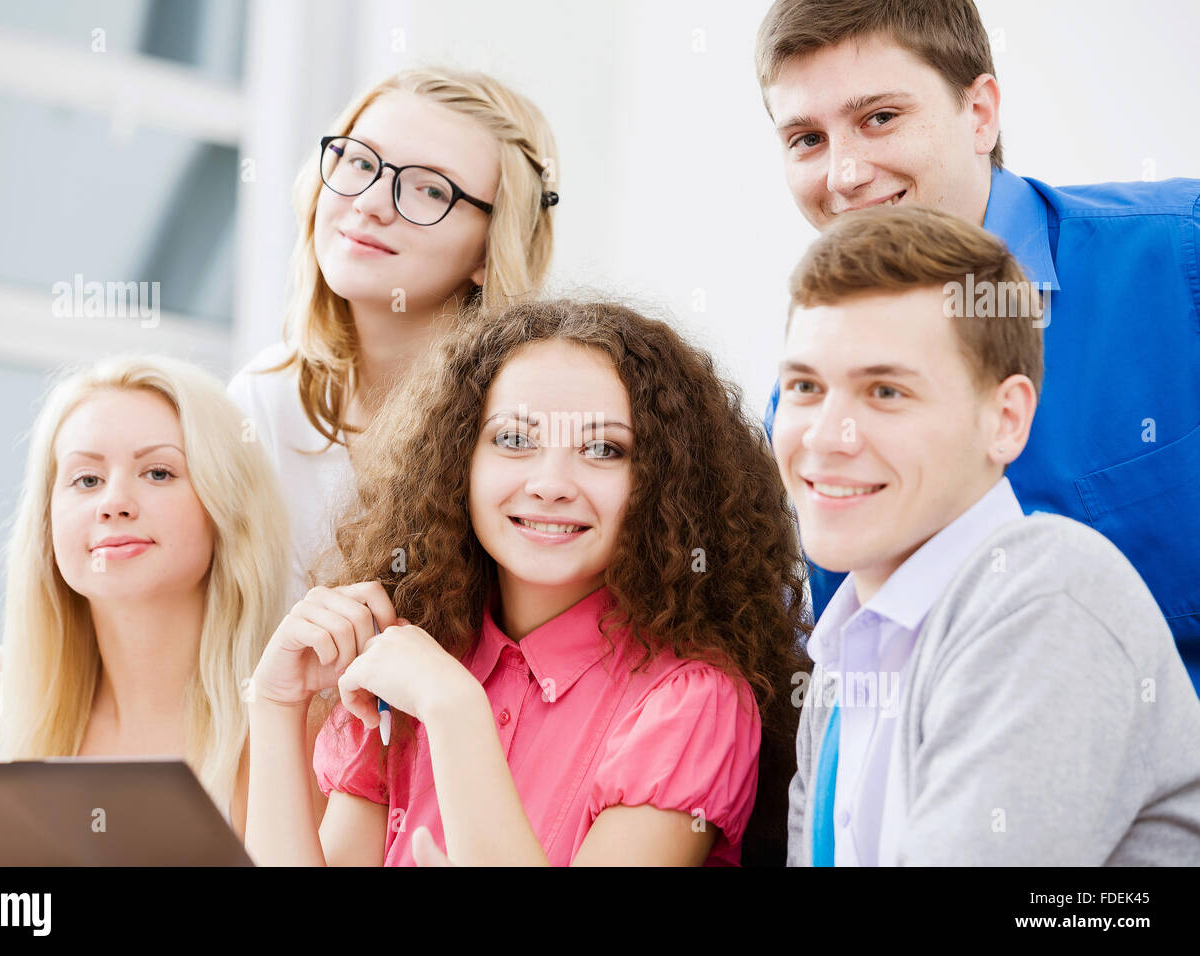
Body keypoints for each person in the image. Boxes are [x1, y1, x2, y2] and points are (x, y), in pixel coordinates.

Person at [243, 297, 812, 866]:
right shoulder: (410, 661)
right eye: (515, 440)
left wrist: (456, 714)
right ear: (458, 459)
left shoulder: (692, 703)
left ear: (665, 483)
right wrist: (275, 703)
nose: (550, 484)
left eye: (603, 449)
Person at [754, 0, 1200, 685]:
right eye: (807, 139)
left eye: (880, 118)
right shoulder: (806, 415)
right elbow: (858, 671)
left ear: (981, 114)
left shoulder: (1179, 255)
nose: (844, 174)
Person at [774, 204, 1200, 865]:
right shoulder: (842, 657)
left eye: (885, 392)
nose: (828, 436)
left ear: (1005, 420)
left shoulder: (1050, 599)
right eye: (804, 385)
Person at [0, 355, 289, 863]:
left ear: (227, 509)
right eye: (86, 480)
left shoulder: (287, 714)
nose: (114, 502)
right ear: (48, 522)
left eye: (158, 471)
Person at [227, 66, 559, 612]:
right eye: (360, 162)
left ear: (487, 250)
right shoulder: (262, 400)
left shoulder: (529, 426)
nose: (371, 202)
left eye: (430, 189)